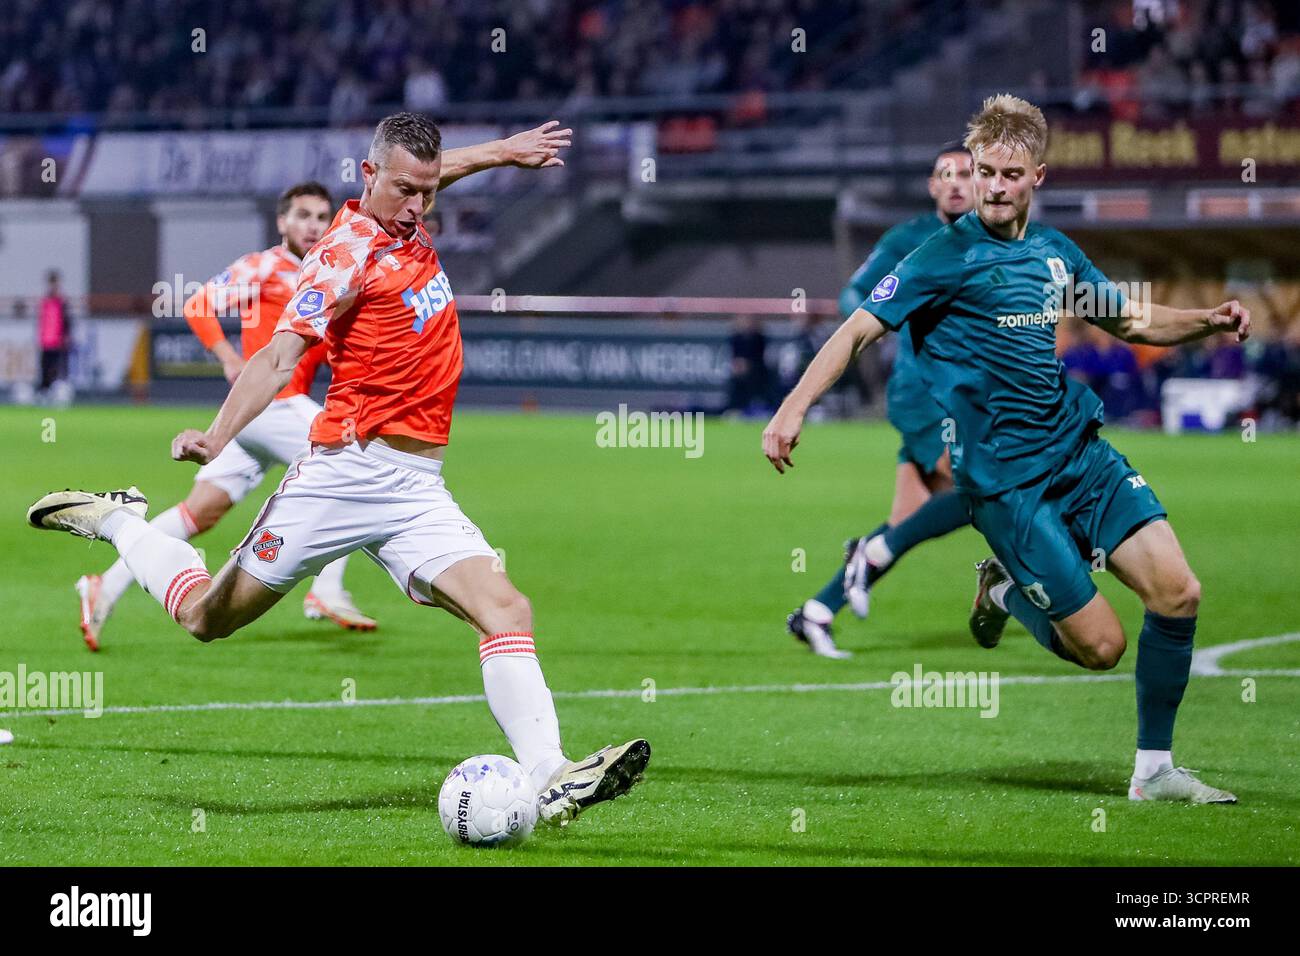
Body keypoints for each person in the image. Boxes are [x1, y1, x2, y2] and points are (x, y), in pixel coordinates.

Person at [30, 112, 649, 825]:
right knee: (206, 619)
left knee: (506, 609)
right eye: (405, 190)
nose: (419, 205)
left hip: (417, 488)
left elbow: (434, 170)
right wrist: (217, 433)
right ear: (367, 176)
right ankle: (119, 524)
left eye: (427, 190)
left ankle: (551, 776)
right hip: (344, 475)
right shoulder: (341, 255)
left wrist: (506, 154)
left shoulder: (408, 211)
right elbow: (277, 358)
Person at [763, 94, 1248, 804]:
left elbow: (1131, 316)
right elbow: (857, 330)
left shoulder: (1054, 253)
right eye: (983, 170)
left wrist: (1206, 320)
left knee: (1179, 593)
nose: (991, 185)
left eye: (1007, 174)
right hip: (1008, 489)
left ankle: (1154, 771)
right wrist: (793, 407)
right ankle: (1006, 589)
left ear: (1038, 178)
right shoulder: (944, 254)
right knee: (1102, 649)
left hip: (1079, 454)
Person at [787, 143, 976, 658]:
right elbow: (855, 295)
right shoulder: (912, 240)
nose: (957, 182)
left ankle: (818, 611)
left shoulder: (988, 242)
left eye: (968, 173)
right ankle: (1015, 594)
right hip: (923, 395)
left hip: (961, 400)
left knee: (908, 519)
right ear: (932, 186)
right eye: (946, 174)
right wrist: (884, 321)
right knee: (986, 491)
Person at [38, 270, 70, 394]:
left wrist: (65, 336)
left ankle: (57, 392)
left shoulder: (62, 302)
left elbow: (66, 321)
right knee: (45, 367)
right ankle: (45, 391)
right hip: (46, 341)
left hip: (58, 341)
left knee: (57, 368)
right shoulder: (45, 301)